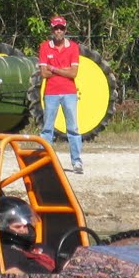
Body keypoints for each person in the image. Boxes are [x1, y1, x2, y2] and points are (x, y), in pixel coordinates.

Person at [38, 15, 84, 174]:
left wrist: (54, 69)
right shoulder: (44, 47)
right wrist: (63, 71)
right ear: (52, 29)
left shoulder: (73, 47)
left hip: (69, 93)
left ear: (65, 30)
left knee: (73, 128)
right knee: (47, 129)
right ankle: (43, 161)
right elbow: (44, 73)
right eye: (56, 28)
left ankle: (77, 162)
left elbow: (73, 73)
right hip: (51, 93)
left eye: (61, 28)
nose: (58, 31)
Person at [0, 196, 57, 275]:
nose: (25, 230)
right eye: (18, 227)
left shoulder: (42, 248)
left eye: (26, 225)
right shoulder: (6, 255)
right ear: (3, 228)